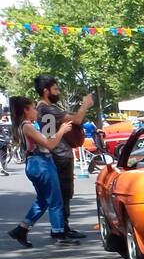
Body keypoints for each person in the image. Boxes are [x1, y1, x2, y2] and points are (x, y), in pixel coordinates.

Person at [7, 95, 77, 246]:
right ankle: (59, 233)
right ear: (25, 110)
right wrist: (62, 131)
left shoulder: (24, 125)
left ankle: (22, 229)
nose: (35, 111)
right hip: (41, 163)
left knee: (43, 200)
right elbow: (49, 144)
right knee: (55, 200)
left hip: (35, 164)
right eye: (32, 108)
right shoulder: (27, 126)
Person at [34, 74, 94, 239]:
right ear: (46, 91)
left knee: (63, 194)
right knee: (63, 193)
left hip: (59, 154)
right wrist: (85, 105)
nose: (58, 92)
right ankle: (60, 229)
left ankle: (63, 227)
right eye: (55, 89)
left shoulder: (44, 109)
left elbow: (50, 132)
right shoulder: (47, 108)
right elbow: (77, 119)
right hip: (59, 156)